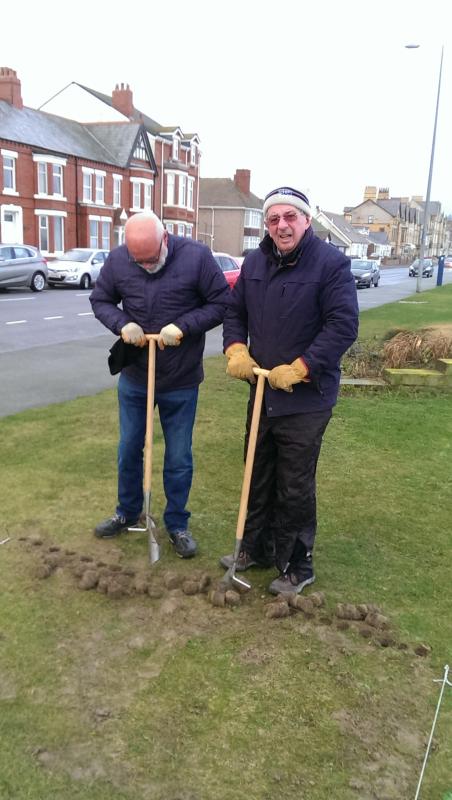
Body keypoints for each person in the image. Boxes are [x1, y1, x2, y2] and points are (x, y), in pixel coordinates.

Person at [221, 187, 359, 593]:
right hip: (262, 388)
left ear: (306, 220)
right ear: (267, 225)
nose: (281, 225)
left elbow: (342, 325)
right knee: (256, 469)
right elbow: (235, 311)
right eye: (273, 219)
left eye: (289, 217)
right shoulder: (255, 262)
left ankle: (298, 564)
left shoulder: (331, 265)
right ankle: (255, 548)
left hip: (306, 399)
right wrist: (236, 349)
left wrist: (302, 367)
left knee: (294, 481)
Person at [90, 211, 230, 558]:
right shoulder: (120, 259)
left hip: (180, 378)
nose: (146, 266)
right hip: (136, 375)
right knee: (128, 449)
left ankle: (177, 524)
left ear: (165, 239)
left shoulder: (196, 257)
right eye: (139, 261)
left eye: (151, 259)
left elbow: (221, 303)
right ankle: (127, 511)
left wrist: (183, 326)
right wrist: (122, 324)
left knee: (179, 456)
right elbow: (100, 299)